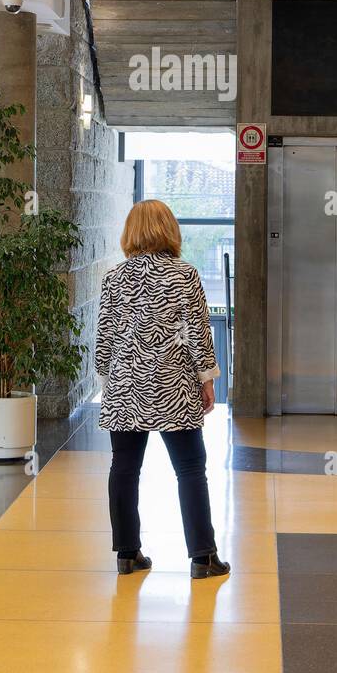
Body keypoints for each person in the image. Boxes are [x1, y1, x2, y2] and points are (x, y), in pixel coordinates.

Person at [96, 199, 230, 579]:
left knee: (124, 468)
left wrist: (108, 380)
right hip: (172, 386)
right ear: (169, 230)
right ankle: (203, 558)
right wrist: (207, 378)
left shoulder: (113, 278)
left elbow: (103, 338)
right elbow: (198, 333)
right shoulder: (184, 275)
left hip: (126, 387)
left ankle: (127, 554)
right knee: (190, 469)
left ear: (131, 232)